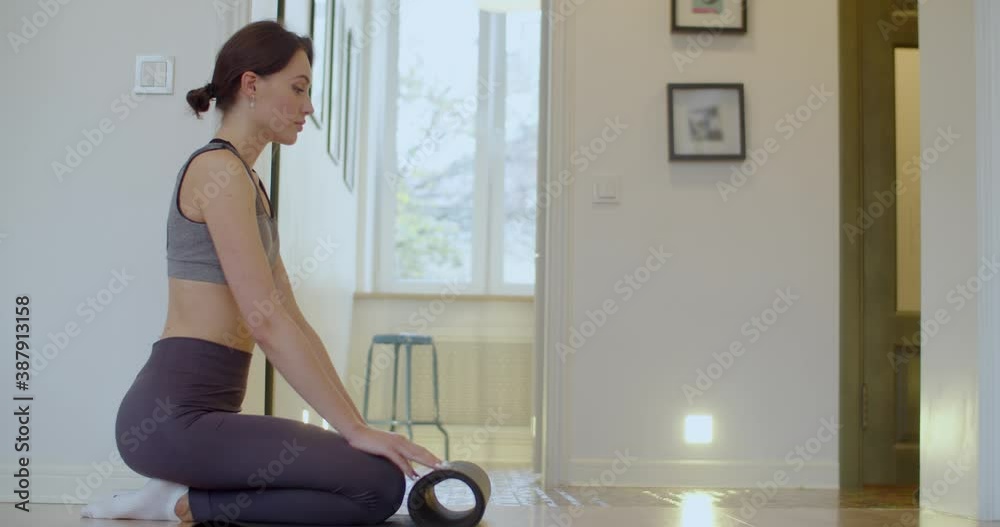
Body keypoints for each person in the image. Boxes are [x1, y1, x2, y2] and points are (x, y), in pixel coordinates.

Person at [80, 20, 442, 525]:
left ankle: (177, 493)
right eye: (298, 89)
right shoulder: (218, 172)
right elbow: (265, 322)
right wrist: (357, 435)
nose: (308, 106)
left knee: (376, 478)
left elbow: (291, 316)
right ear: (252, 85)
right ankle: (176, 503)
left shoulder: (246, 182)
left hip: (202, 418)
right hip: (169, 420)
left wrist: (359, 426)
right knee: (375, 487)